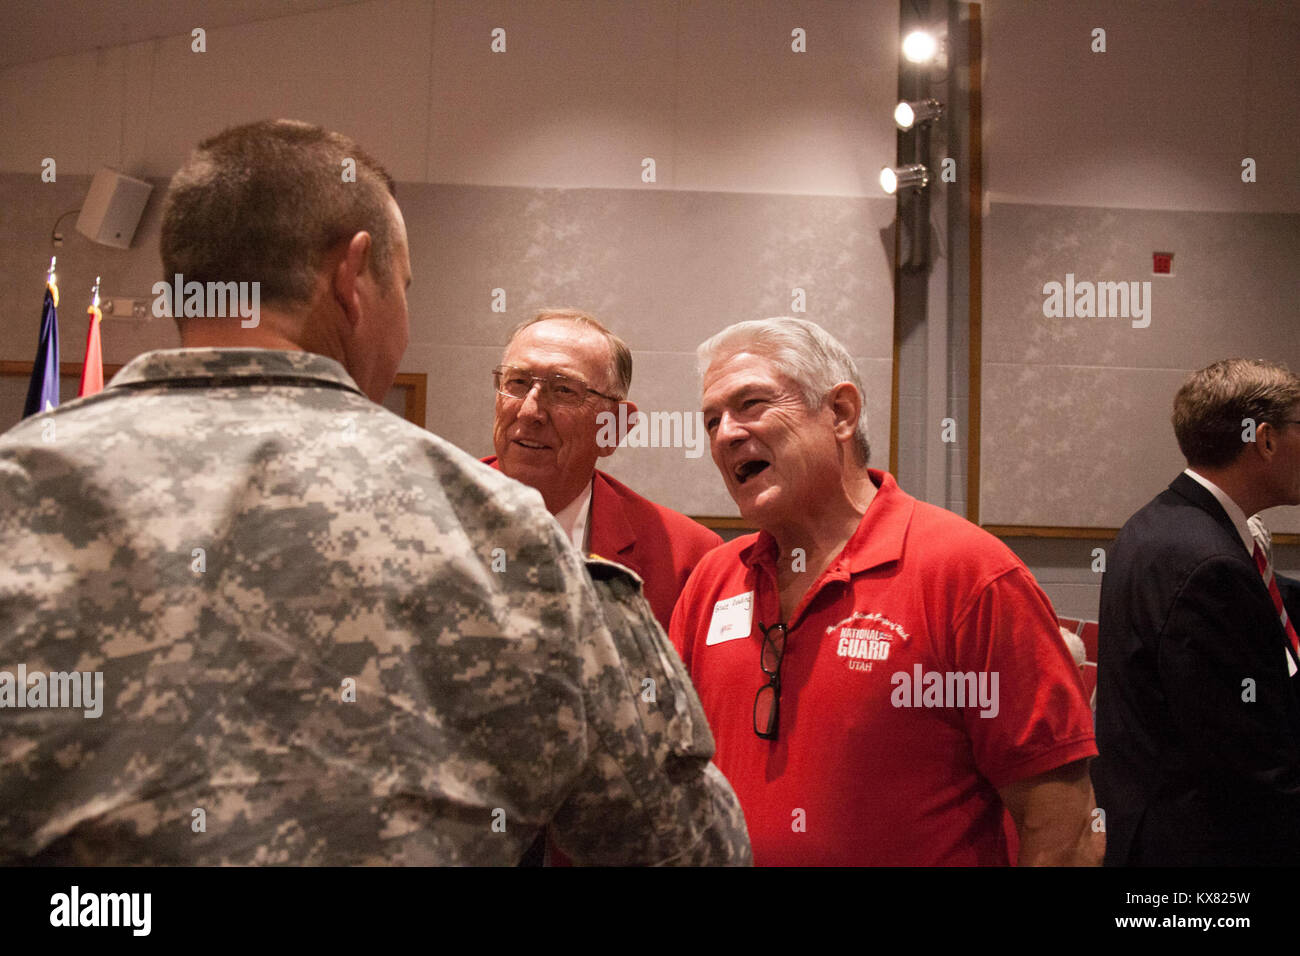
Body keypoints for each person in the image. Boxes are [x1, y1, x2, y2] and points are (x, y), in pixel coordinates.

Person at [0, 119, 750, 866]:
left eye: (559, 389)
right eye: (407, 284)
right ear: (352, 278)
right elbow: (690, 852)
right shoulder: (503, 536)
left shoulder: (18, 489)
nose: (529, 407)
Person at [670, 317, 1101, 866]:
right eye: (711, 422)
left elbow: (1060, 824)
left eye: (751, 404)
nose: (725, 434)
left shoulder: (968, 574)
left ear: (841, 413)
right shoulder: (712, 581)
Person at [1093, 358, 1300, 866]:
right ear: (1266, 440)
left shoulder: (1162, 524)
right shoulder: (1210, 565)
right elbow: (1247, 759)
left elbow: (1263, 600)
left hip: (1151, 828)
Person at [484, 309, 722, 630]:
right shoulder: (421, 514)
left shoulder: (688, 560)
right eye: (517, 383)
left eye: (564, 390)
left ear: (613, 427)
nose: (529, 412)